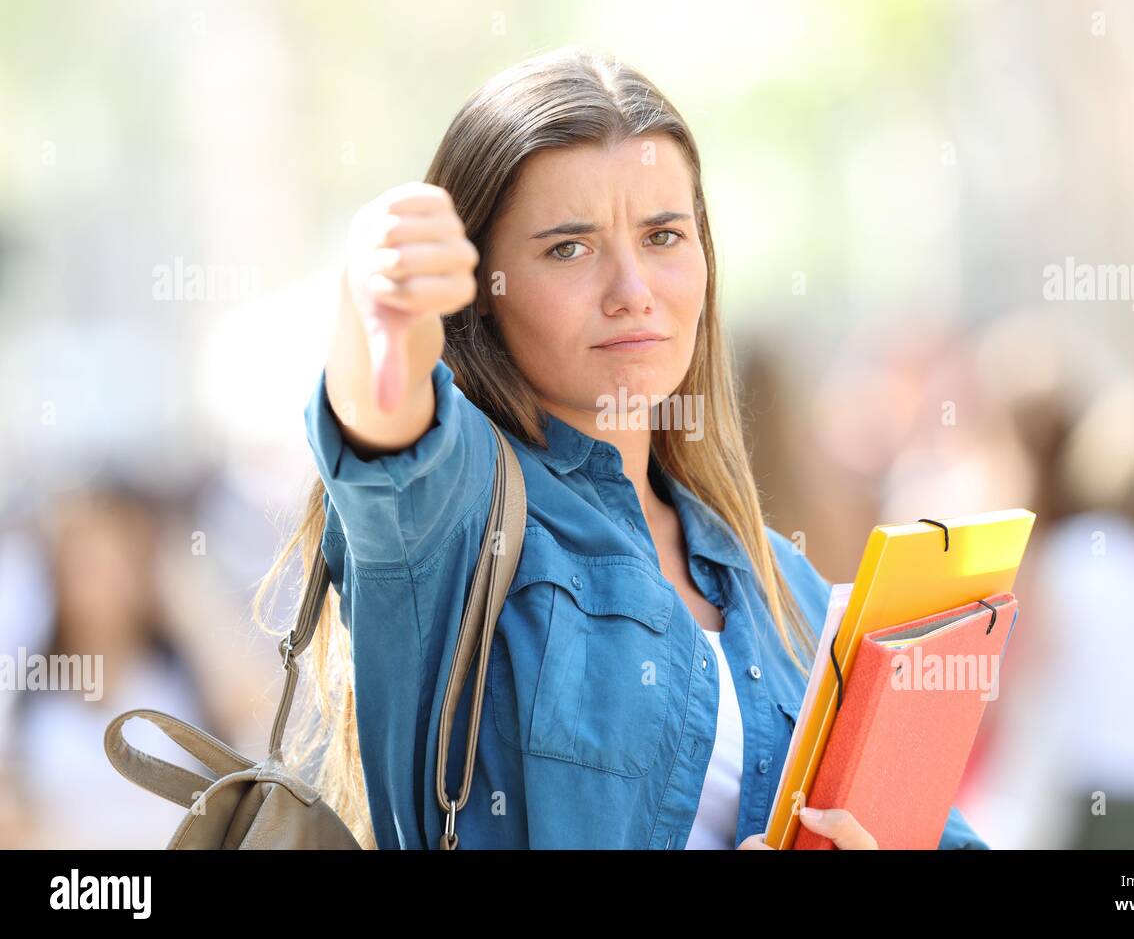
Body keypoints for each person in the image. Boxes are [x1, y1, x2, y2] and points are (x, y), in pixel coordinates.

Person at [258, 45, 987, 850]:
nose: (633, 291)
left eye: (664, 236)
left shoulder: (783, 583)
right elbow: (386, 426)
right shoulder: (459, 519)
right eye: (568, 248)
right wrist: (381, 308)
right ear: (479, 293)